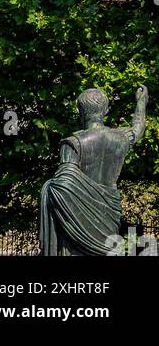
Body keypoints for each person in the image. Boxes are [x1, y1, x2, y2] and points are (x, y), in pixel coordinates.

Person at [40, 85, 148, 256]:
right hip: (109, 217)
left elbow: (62, 187)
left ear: (80, 111)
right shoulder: (120, 138)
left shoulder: (73, 143)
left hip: (77, 225)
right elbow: (138, 129)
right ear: (105, 111)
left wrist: (49, 187)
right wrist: (141, 103)